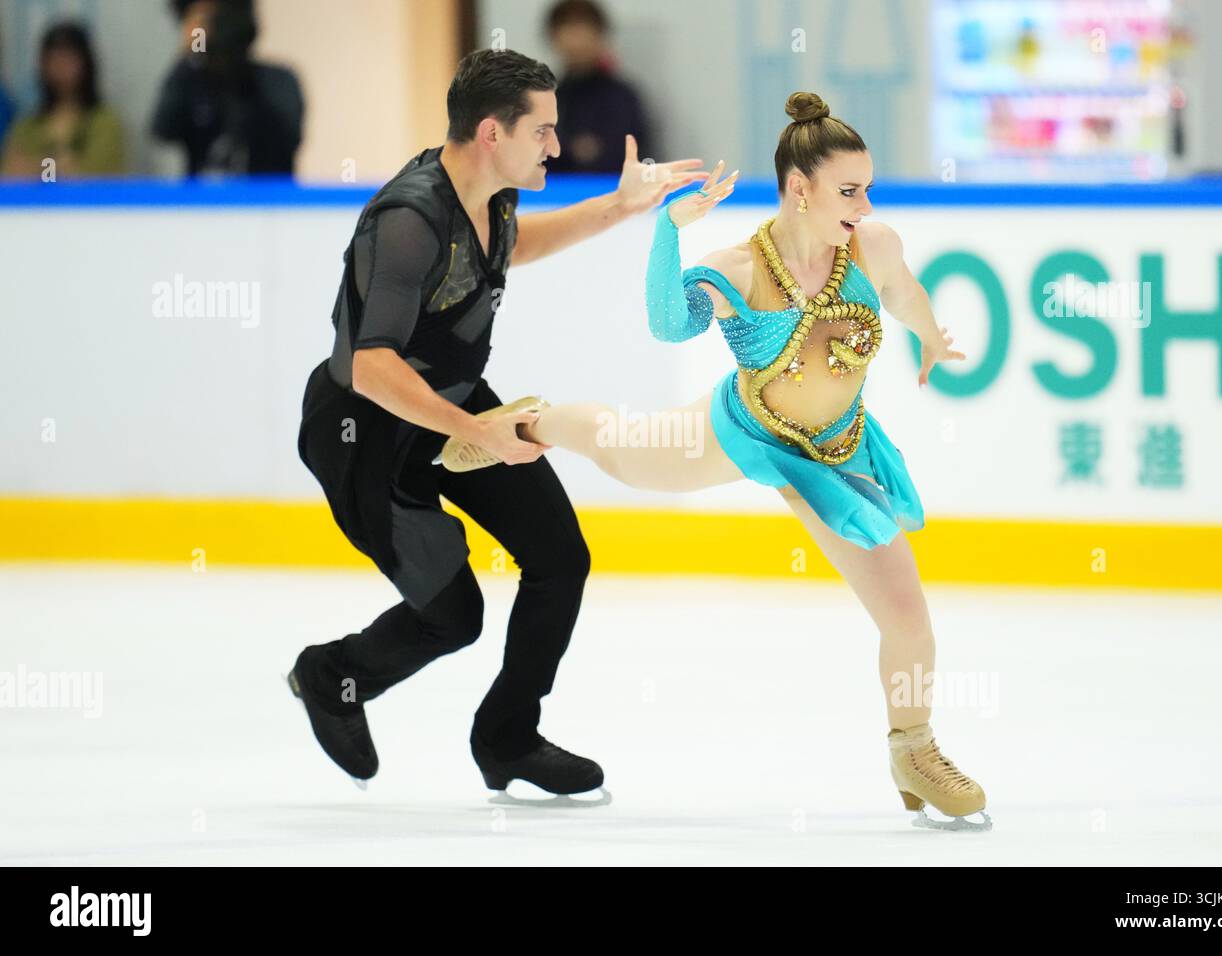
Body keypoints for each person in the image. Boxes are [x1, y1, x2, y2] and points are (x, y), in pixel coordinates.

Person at [441, 92, 992, 830]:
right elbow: (670, 324)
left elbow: (905, 295)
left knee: (908, 618)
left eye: (867, 189)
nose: (864, 205)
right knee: (625, 451)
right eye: (850, 191)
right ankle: (530, 422)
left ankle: (914, 749)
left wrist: (930, 337)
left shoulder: (874, 246)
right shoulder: (738, 269)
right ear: (801, 189)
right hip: (744, 429)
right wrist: (668, 230)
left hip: (837, 451)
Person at [290, 48, 706, 798]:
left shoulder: (493, 195)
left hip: (449, 404)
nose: (555, 144)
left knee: (559, 556)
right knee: (454, 618)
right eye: (542, 130)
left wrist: (620, 208)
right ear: (492, 132)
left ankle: (507, 739)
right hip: (366, 435)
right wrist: (477, 431)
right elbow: (371, 366)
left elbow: (514, 248)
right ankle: (332, 676)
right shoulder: (410, 219)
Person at [150, 0, 303, 176]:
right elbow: (163, 130)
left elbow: (288, 138)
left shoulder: (277, 80)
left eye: (211, 17)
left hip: (268, 200)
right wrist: (192, 53)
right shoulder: (192, 83)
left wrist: (236, 70)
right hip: (204, 201)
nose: (207, 26)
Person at [1, 21, 125, 179]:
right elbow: (10, 172)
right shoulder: (27, 126)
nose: (60, 67)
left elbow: (92, 174)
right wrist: (54, 165)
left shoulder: (105, 123)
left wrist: (39, 167)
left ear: (86, 63)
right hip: (35, 203)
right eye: (53, 59)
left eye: (69, 58)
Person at [543, 0, 653, 173]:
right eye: (568, 30)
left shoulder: (622, 96)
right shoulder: (545, 96)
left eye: (584, 29)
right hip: (551, 195)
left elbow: (627, 154)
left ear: (600, 35)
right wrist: (574, 150)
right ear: (553, 37)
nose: (576, 41)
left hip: (614, 191)